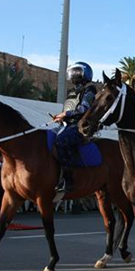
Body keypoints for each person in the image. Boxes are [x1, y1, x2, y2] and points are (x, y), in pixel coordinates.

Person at [52, 61, 96, 194]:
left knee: (61, 141)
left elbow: (84, 109)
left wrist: (65, 114)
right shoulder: (71, 92)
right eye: (72, 72)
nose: (73, 75)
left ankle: (68, 180)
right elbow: (69, 108)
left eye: (76, 72)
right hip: (67, 125)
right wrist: (61, 118)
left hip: (80, 126)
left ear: (83, 73)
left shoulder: (90, 90)